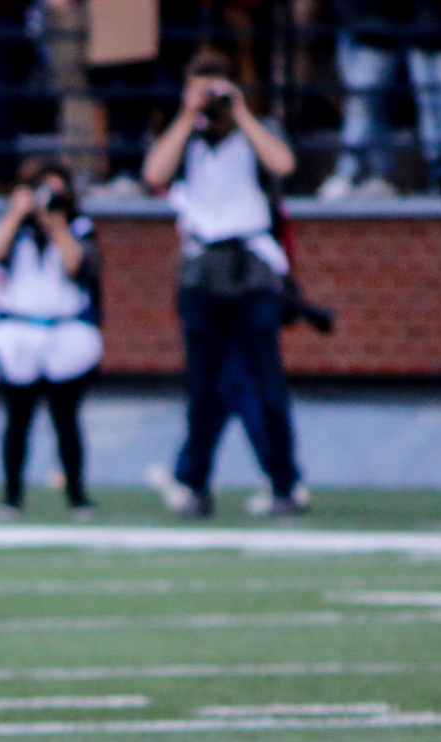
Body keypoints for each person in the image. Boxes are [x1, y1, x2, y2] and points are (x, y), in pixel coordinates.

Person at [143, 50, 307, 520]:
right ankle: (194, 481)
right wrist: (186, 114)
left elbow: (283, 165)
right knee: (205, 387)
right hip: (202, 266)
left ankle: (284, 482)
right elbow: (155, 174)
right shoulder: (182, 135)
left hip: (252, 265)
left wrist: (239, 111)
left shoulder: (256, 130)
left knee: (267, 382)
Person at [0, 159, 102, 520]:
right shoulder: (16, 226)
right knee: (18, 419)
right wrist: (17, 213)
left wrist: (58, 225)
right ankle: (11, 496)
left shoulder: (78, 226)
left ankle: (77, 495)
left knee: (66, 419)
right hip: (19, 331)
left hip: (65, 331)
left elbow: (77, 266)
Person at [319, 0, 441, 199]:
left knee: (436, 103)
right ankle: (376, 174)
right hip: (353, 23)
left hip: (399, 27)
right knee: (362, 104)